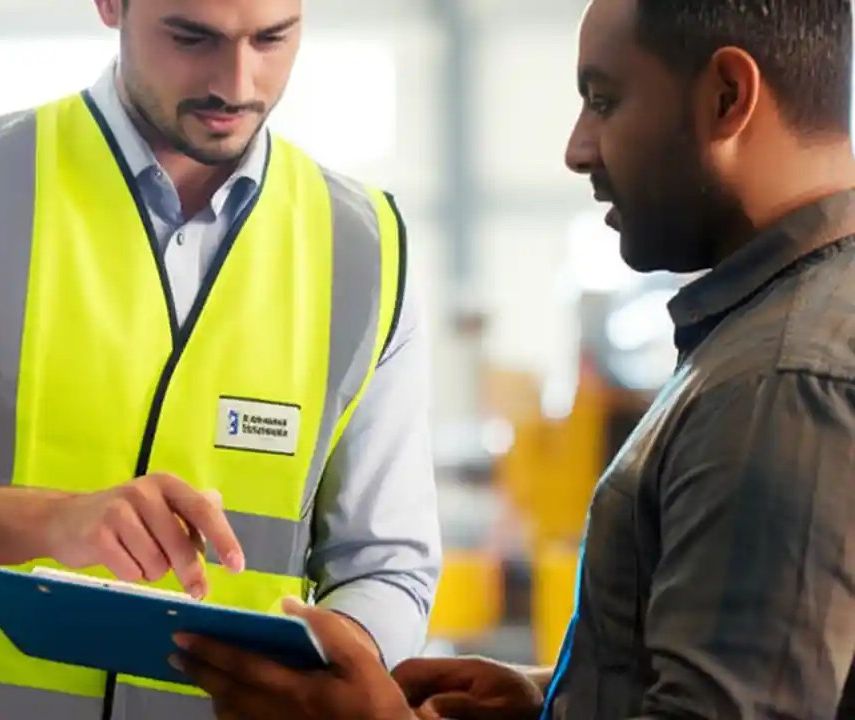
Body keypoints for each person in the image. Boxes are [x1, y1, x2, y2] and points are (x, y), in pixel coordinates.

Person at [175, 0, 855, 718]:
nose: (578, 149)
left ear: (727, 97)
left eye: (604, 101)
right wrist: (552, 697)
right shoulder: (772, 339)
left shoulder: (782, 382)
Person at [0, 0, 442, 717]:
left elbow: (387, 564)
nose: (236, 83)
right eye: (192, 37)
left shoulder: (367, 249)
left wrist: (336, 664)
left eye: (271, 38)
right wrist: (55, 522)